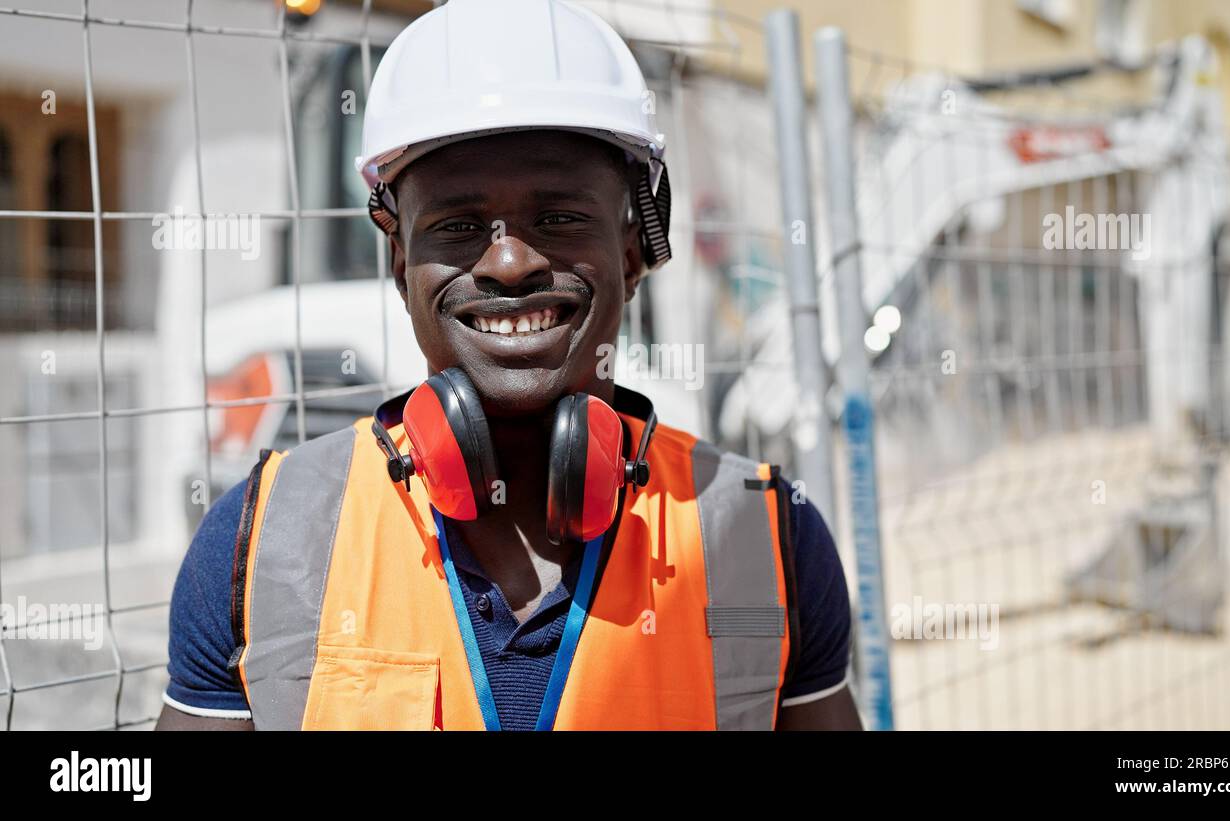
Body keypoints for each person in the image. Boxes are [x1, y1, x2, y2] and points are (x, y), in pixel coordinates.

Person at [156, 0, 860, 731]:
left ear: (632, 251)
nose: (510, 262)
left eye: (557, 218)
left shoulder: (764, 536)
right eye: (459, 226)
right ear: (400, 262)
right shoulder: (258, 543)